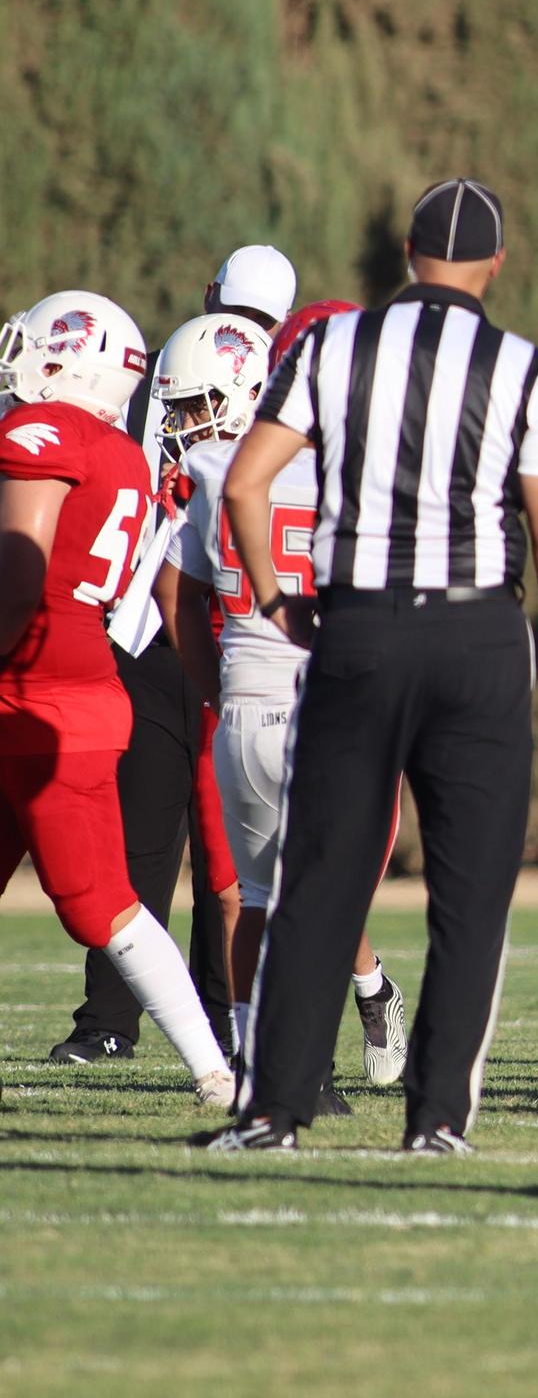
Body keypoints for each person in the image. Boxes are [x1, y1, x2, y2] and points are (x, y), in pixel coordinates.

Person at [194, 177, 538, 1152]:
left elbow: (245, 483)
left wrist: (277, 599)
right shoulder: (523, 369)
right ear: (496, 265)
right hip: (476, 633)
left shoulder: (330, 346)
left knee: (318, 877)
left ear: (408, 256)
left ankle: (274, 1109)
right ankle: (438, 1118)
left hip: (359, 628)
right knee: (470, 893)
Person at [47, 246, 296, 1066]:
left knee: (231, 855)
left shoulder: (287, 402)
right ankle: (110, 1019)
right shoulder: (155, 380)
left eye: (256, 323)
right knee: (143, 838)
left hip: (236, 635)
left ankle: (224, 1019)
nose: (239, 333)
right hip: (154, 630)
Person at [155, 301, 410, 1100]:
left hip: (245, 705)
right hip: (331, 708)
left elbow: (173, 596)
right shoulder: (366, 474)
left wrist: (220, 688)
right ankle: (308, 1066)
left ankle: (265, 1063)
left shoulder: (213, 470)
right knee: (316, 896)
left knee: (257, 900)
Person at [0, 289, 234, 1103]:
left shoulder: (43, 432)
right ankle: (213, 1065)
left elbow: (21, 577)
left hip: (36, 690)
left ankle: (213, 1068)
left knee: (98, 902)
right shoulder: (123, 451)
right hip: (78, 681)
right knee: (105, 900)